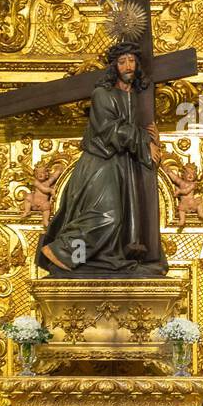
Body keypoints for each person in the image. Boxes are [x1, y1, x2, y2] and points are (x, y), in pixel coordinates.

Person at [37, 42, 161, 275]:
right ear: (114, 66)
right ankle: (63, 252)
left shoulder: (134, 98)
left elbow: (137, 131)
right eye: (122, 61)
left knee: (119, 222)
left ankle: (84, 259)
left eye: (132, 60)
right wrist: (144, 141)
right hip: (99, 163)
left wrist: (152, 140)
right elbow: (109, 129)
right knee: (107, 217)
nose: (128, 66)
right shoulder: (102, 94)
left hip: (119, 164)